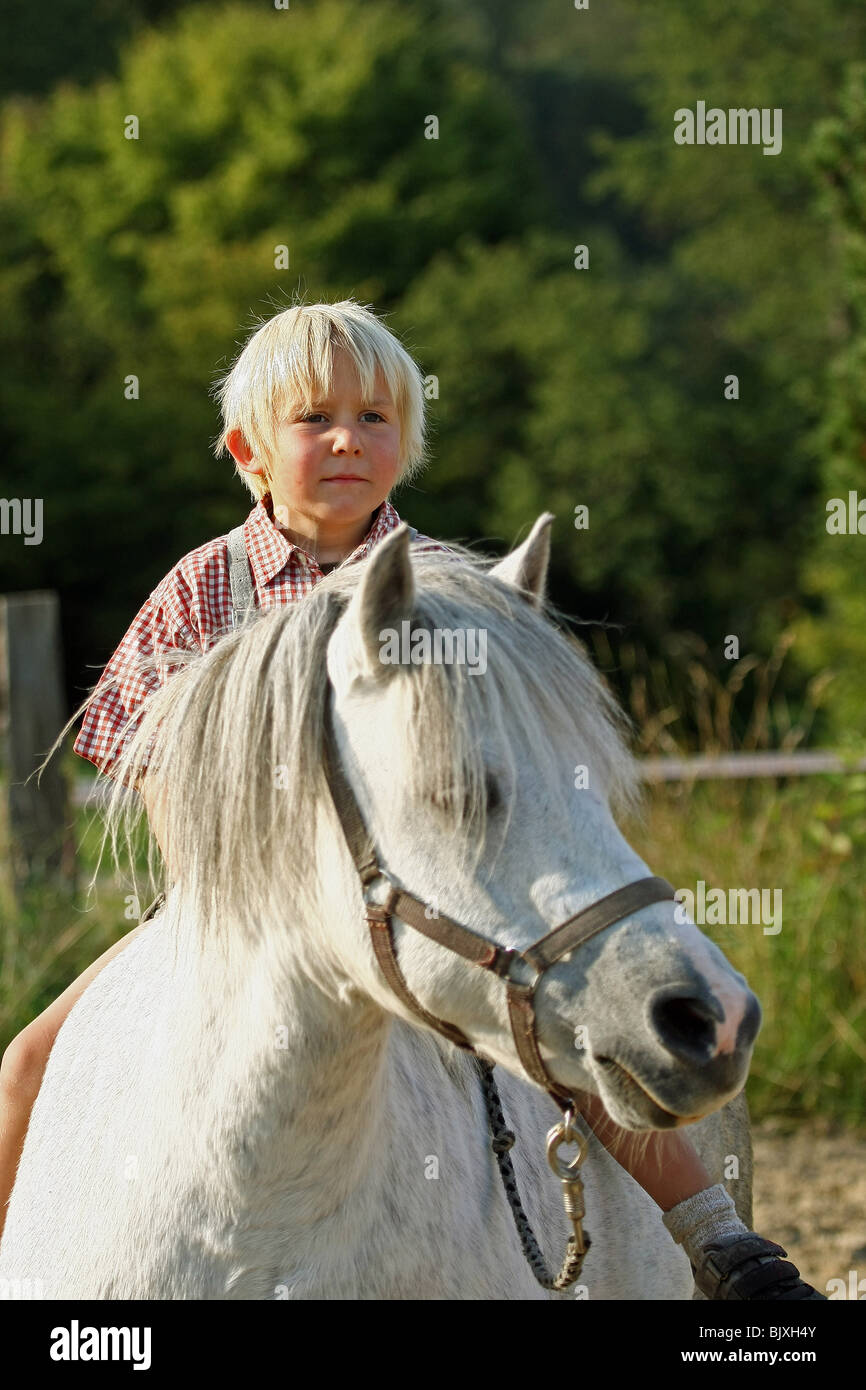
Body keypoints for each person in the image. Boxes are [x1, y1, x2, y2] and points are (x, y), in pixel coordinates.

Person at [0, 299, 822, 1300]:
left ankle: (712, 1233)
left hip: (425, 893)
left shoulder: (443, 588)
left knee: (559, 1041)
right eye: (313, 418)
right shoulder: (200, 590)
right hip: (229, 914)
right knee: (26, 1065)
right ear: (246, 450)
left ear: (408, 440)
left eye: (377, 417)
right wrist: (225, 881)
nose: (348, 437)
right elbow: (152, 767)